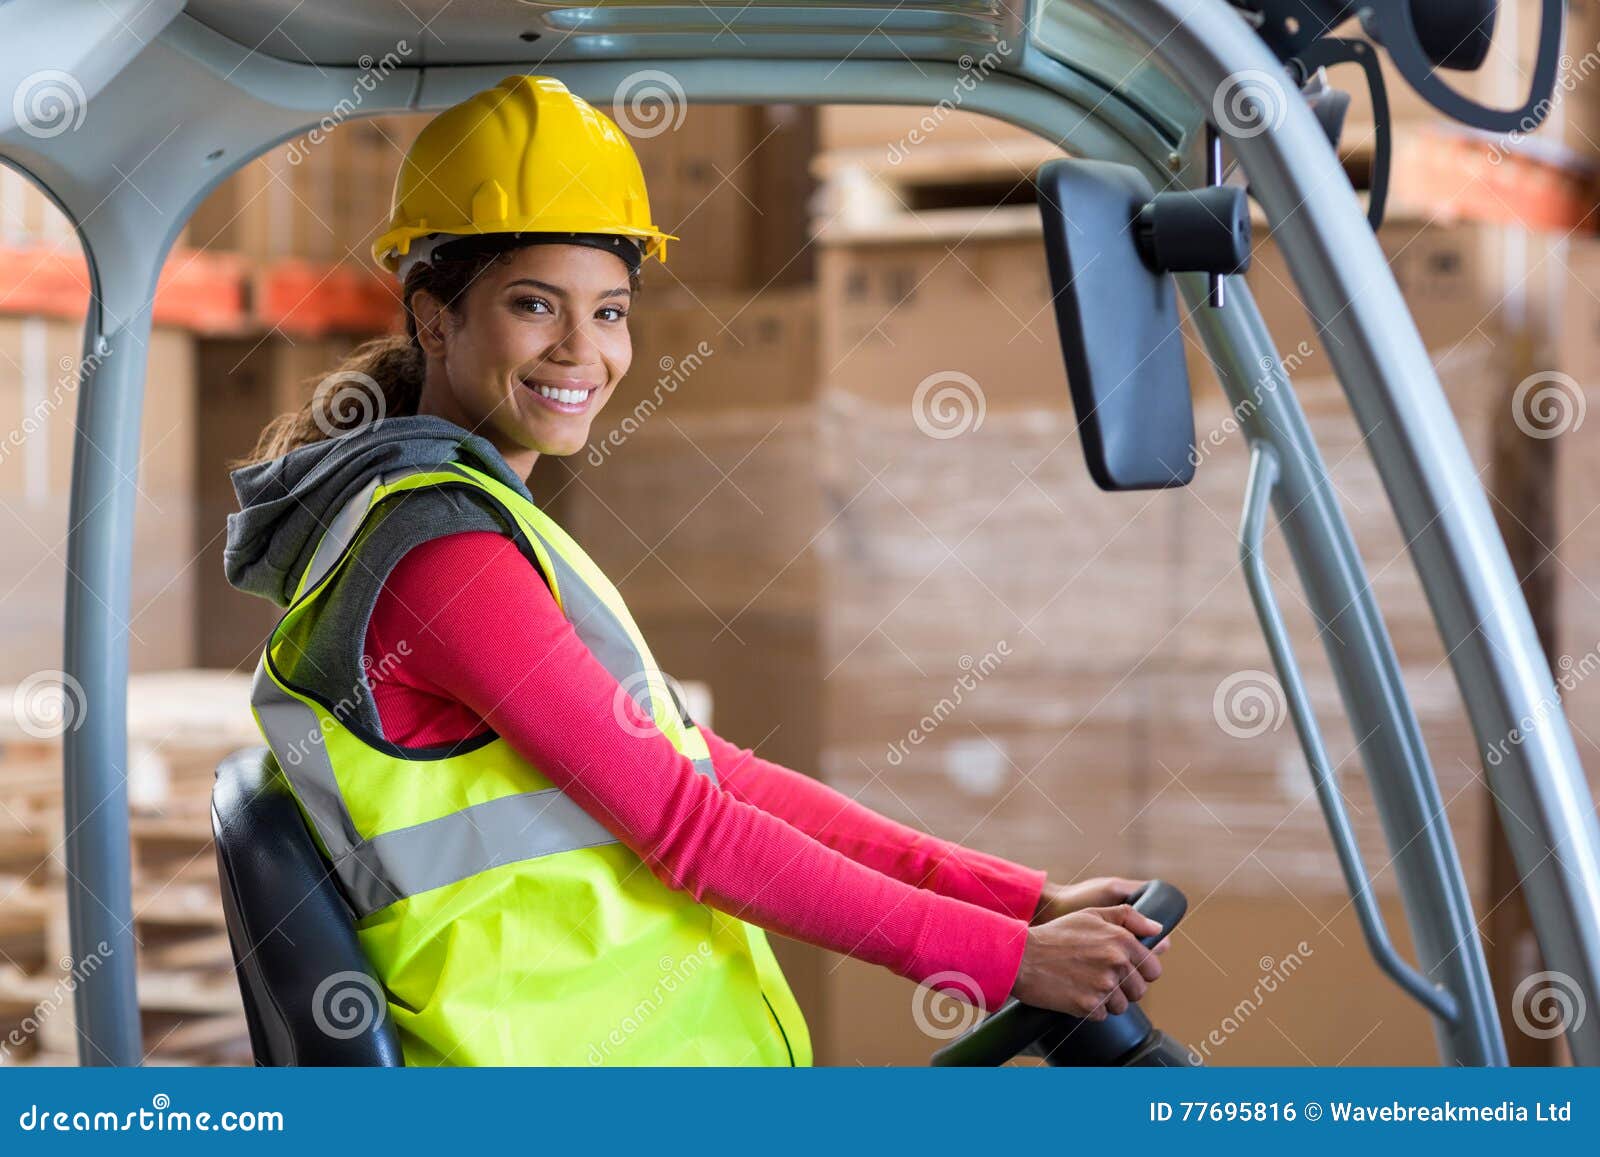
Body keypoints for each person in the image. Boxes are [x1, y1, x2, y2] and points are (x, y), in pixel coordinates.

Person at [223, 74, 1167, 1067]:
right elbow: (692, 828)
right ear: (434, 318)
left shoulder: (466, 522)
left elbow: (717, 774)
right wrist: (1005, 958)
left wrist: (1020, 902)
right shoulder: (443, 559)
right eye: (534, 304)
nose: (581, 351)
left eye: (610, 310)